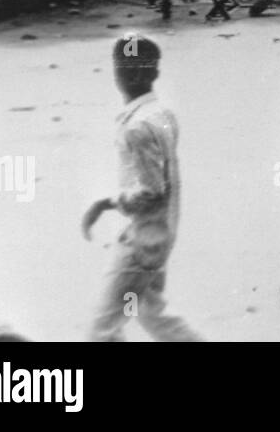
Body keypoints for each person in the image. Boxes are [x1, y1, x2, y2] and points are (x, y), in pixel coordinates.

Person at [83, 34, 202, 341]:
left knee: (103, 327)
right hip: (160, 235)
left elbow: (151, 191)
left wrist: (107, 203)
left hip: (141, 241)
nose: (123, 74)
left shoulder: (137, 126)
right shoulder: (161, 114)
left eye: (124, 67)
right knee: (152, 315)